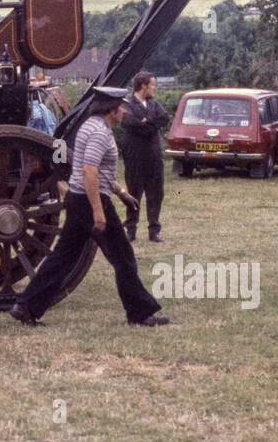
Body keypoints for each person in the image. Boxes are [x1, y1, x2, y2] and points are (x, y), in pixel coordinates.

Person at [10, 86, 170, 327]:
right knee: (123, 257)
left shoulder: (90, 125)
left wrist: (121, 192)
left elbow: (96, 169)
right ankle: (140, 312)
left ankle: (25, 306)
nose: (125, 110)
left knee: (62, 258)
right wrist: (98, 210)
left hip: (78, 199)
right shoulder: (99, 133)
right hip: (89, 201)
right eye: (122, 106)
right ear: (112, 108)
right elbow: (89, 171)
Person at [120, 70, 170, 242]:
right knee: (134, 192)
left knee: (156, 193)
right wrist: (150, 124)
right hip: (135, 156)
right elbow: (128, 122)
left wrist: (146, 123)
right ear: (143, 86)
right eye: (152, 85)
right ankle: (131, 230)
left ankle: (154, 230)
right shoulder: (127, 104)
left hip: (154, 156)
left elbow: (164, 118)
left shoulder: (154, 104)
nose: (154, 88)